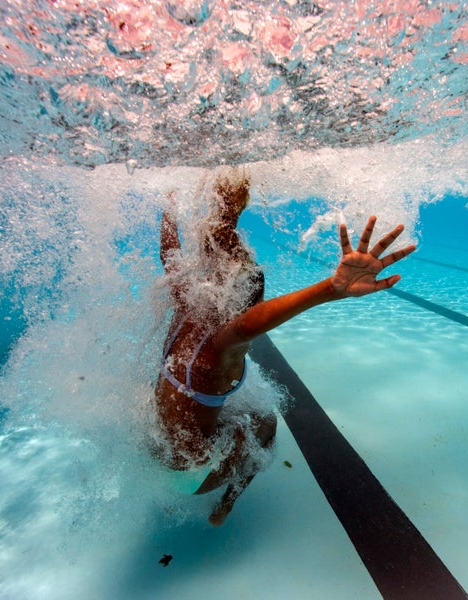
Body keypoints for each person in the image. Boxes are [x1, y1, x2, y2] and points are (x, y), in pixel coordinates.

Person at [154, 167, 416, 526]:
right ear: (242, 306)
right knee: (266, 423)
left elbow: (170, 254)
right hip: (193, 478)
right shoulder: (218, 350)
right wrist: (330, 288)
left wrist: (170, 204)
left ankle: (198, 492)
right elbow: (249, 323)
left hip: (157, 451)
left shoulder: (186, 303)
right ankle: (225, 505)